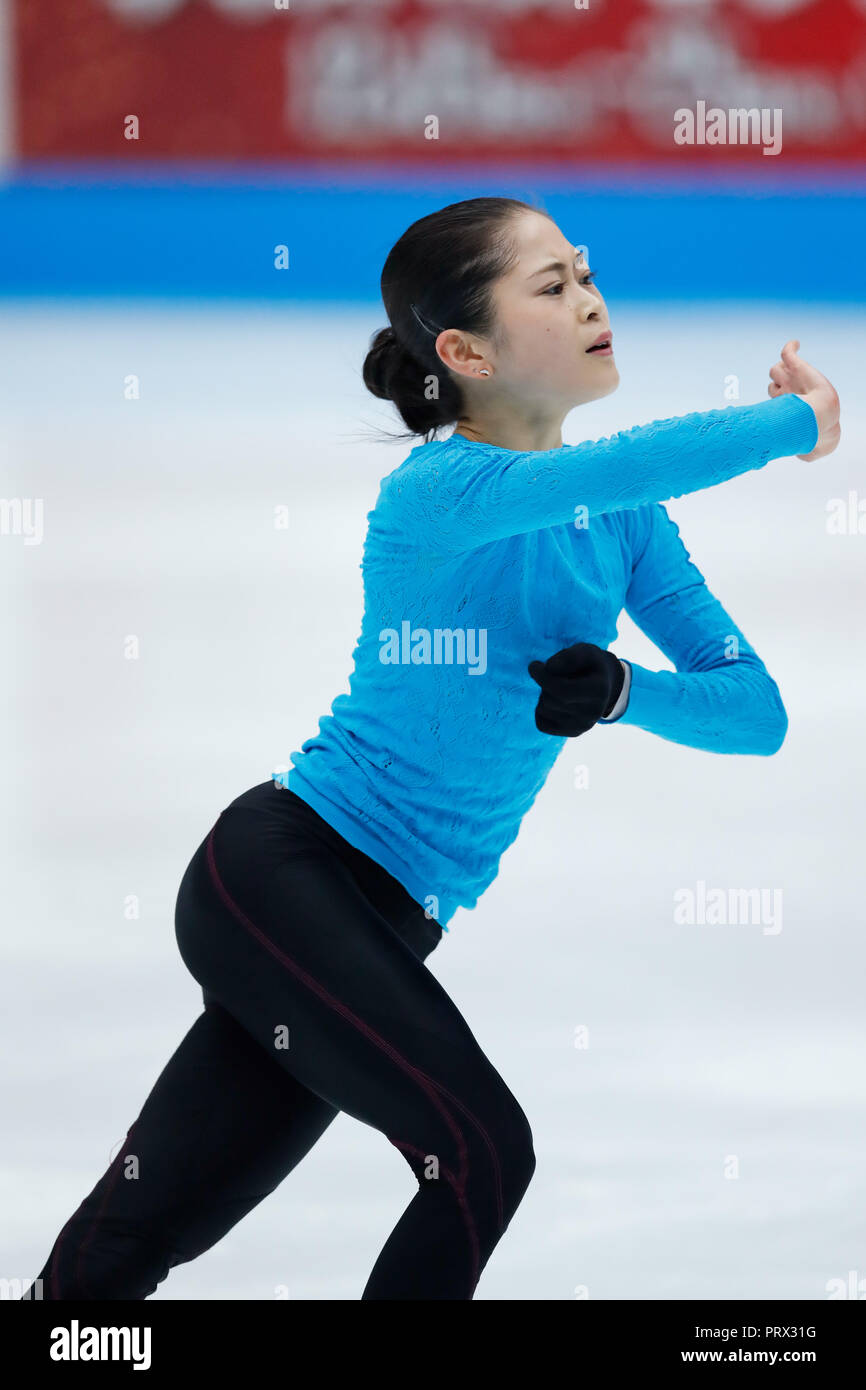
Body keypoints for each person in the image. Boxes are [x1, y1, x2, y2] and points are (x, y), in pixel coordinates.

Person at [28, 196, 839, 1301]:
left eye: (586, 273)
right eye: (551, 285)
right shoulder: (438, 493)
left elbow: (756, 711)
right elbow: (618, 469)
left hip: (385, 924)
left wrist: (625, 693)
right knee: (480, 1151)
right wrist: (798, 424)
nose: (590, 300)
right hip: (283, 877)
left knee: (137, 1230)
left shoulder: (624, 523)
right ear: (465, 353)